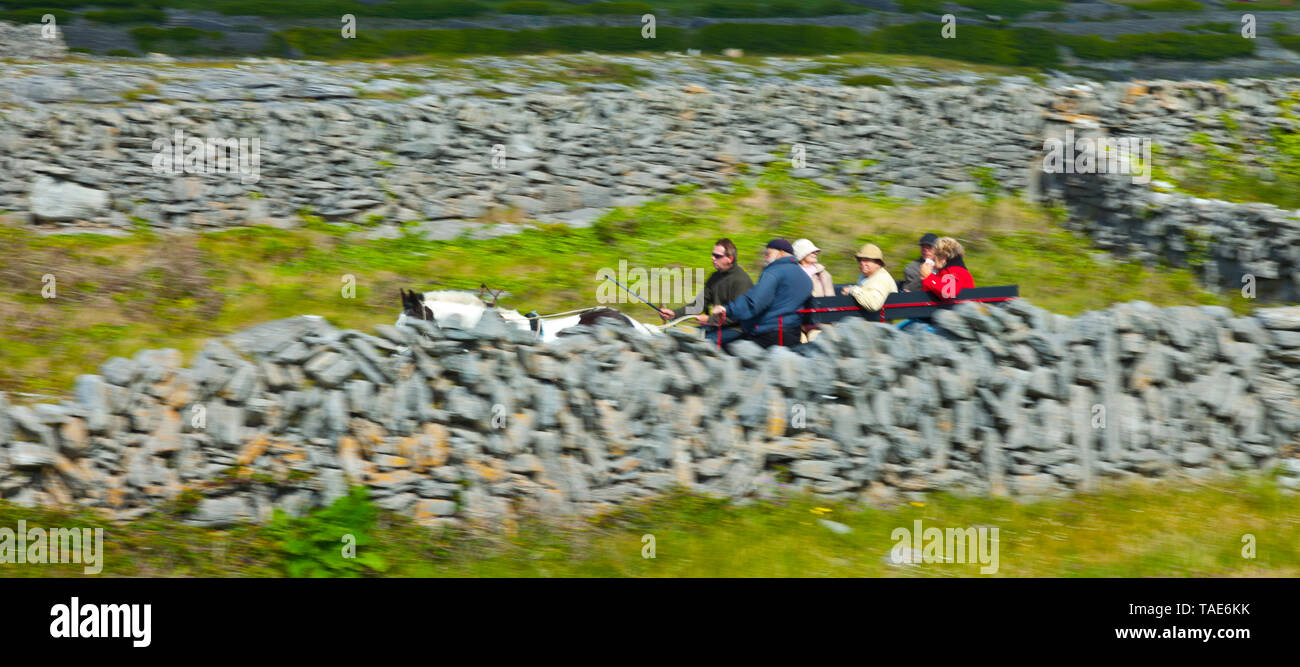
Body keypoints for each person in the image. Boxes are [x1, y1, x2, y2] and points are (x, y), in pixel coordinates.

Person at [712, 239, 812, 349]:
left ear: (781, 252)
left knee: (723, 351)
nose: (765, 257)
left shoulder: (773, 272)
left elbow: (754, 302)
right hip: (793, 336)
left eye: (768, 253)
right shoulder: (805, 277)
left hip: (769, 335)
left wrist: (727, 309)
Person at [658, 238, 754, 347]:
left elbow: (738, 316)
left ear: (730, 258)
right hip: (716, 326)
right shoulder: (714, 277)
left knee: (697, 345)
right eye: (713, 254)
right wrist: (674, 314)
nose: (713, 258)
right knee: (679, 338)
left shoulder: (741, 280)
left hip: (737, 330)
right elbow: (698, 305)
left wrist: (709, 319)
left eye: (717, 256)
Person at [792, 238, 834, 343]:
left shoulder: (824, 274)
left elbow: (830, 300)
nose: (816, 253)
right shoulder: (792, 274)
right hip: (798, 322)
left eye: (815, 251)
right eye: (811, 251)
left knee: (814, 338)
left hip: (820, 323)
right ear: (801, 254)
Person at [841, 243, 898, 312]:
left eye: (866, 260)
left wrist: (852, 290)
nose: (862, 263)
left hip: (880, 319)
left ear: (878, 263)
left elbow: (874, 305)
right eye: (860, 260)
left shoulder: (882, 278)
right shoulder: (864, 276)